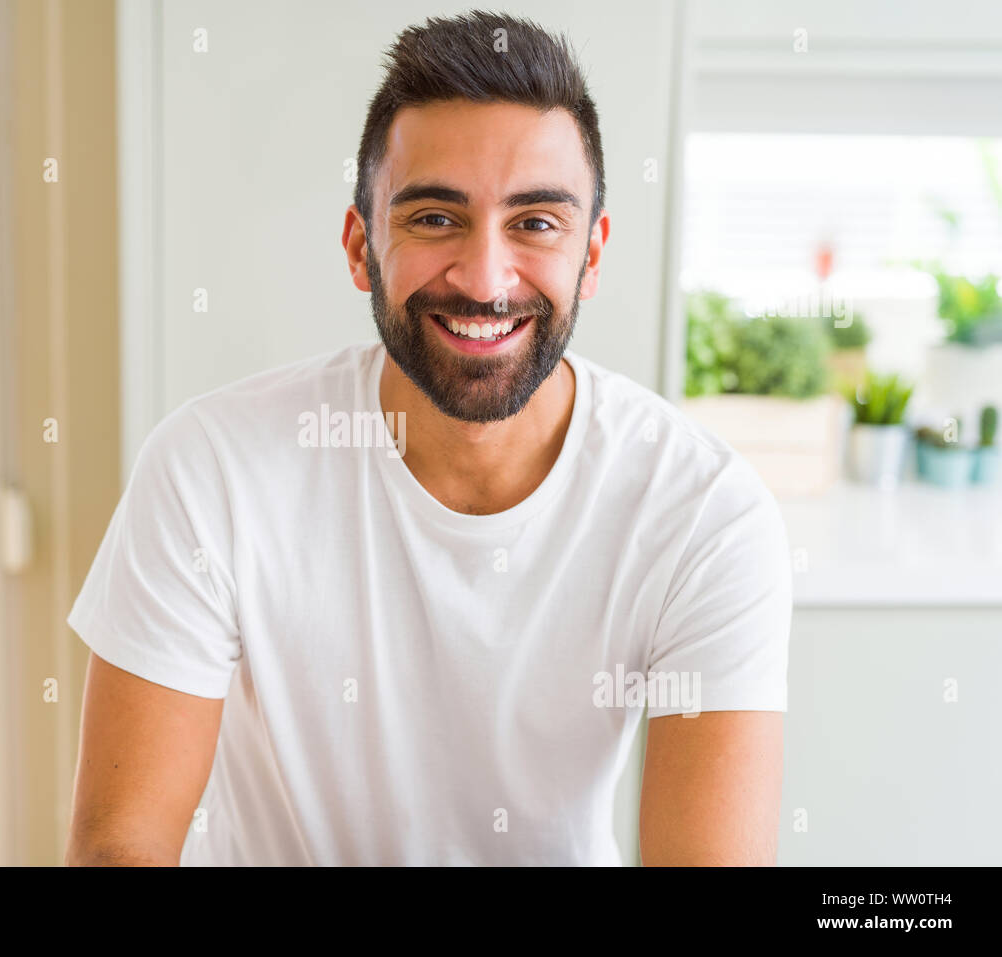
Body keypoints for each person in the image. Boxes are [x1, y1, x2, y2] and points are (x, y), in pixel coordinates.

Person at [64, 9, 791, 866]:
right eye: (436, 219)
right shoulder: (210, 468)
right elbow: (121, 845)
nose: (486, 279)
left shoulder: (705, 513)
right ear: (361, 247)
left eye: (536, 222)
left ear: (591, 254)